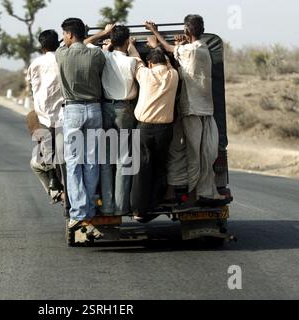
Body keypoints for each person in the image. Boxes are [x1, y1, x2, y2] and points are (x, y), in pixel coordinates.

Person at [144, 17, 228, 209]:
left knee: (194, 154)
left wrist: (154, 33)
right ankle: (198, 191)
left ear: (188, 31)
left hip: (192, 109)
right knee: (203, 153)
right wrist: (179, 44)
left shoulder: (191, 50)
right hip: (203, 108)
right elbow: (182, 64)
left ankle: (193, 195)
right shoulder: (202, 48)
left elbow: (170, 49)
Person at [55, 18, 106, 237]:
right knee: (92, 160)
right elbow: (85, 45)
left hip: (73, 111)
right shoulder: (96, 55)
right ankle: (90, 208)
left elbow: (64, 45)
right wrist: (100, 36)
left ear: (67, 34)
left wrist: (91, 37)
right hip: (95, 109)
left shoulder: (61, 54)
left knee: (74, 163)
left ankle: (79, 211)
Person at [84, 24, 138, 215]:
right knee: (124, 158)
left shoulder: (103, 57)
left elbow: (83, 43)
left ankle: (107, 206)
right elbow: (139, 62)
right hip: (124, 109)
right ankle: (121, 206)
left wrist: (105, 36)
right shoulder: (132, 62)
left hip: (105, 107)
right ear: (126, 41)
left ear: (112, 41)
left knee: (106, 159)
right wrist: (131, 46)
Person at [127, 35, 179, 220]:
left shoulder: (145, 74)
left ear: (150, 63)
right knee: (160, 167)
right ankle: (155, 203)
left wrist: (132, 45)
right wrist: (158, 47)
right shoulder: (173, 75)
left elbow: (136, 59)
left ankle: (139, 209)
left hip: (145, 128)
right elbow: (169, 63)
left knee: (142, 169)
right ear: (165, 62)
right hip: (165, 130)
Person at [27, 30, 65, 204]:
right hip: (63, 114)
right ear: (58, 43)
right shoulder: (63, 58)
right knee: (62, 157)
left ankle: (54, 187)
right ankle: (56, 184)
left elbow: (32, 86)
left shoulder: (36, 63)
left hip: (43, 115)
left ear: (41, 46)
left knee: (44, 157)